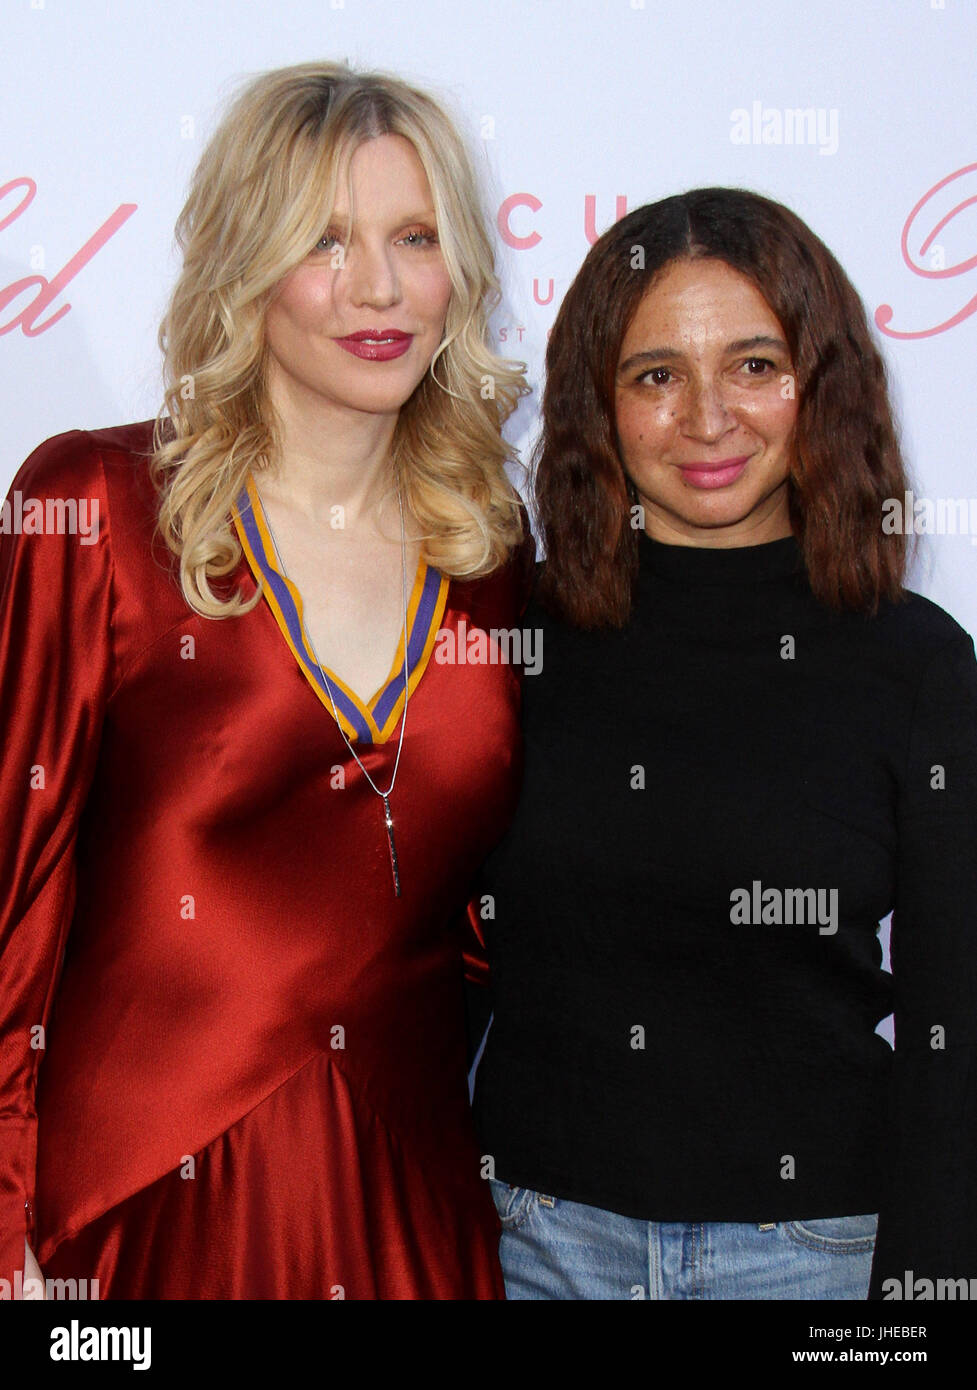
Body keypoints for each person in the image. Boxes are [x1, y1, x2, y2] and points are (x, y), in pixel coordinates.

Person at [0, 60, 532, 1300]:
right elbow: (12, 886)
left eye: (415, 237)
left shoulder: (488, 550)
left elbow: (496, 915)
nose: (380, 289)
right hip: (131, 1210)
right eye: (325, 241)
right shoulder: (94, 506)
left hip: (413, 1208)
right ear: (248, 261)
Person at [471, 187, 977, 1300]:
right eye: (655, 375)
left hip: (810, 1258)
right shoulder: (510, 636)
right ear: (597, 406)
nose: (706, 417)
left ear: (821, 382)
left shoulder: (914, 662)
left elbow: (955, 1024)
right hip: (541, 1246)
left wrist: (924, 1304)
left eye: (754, 364)